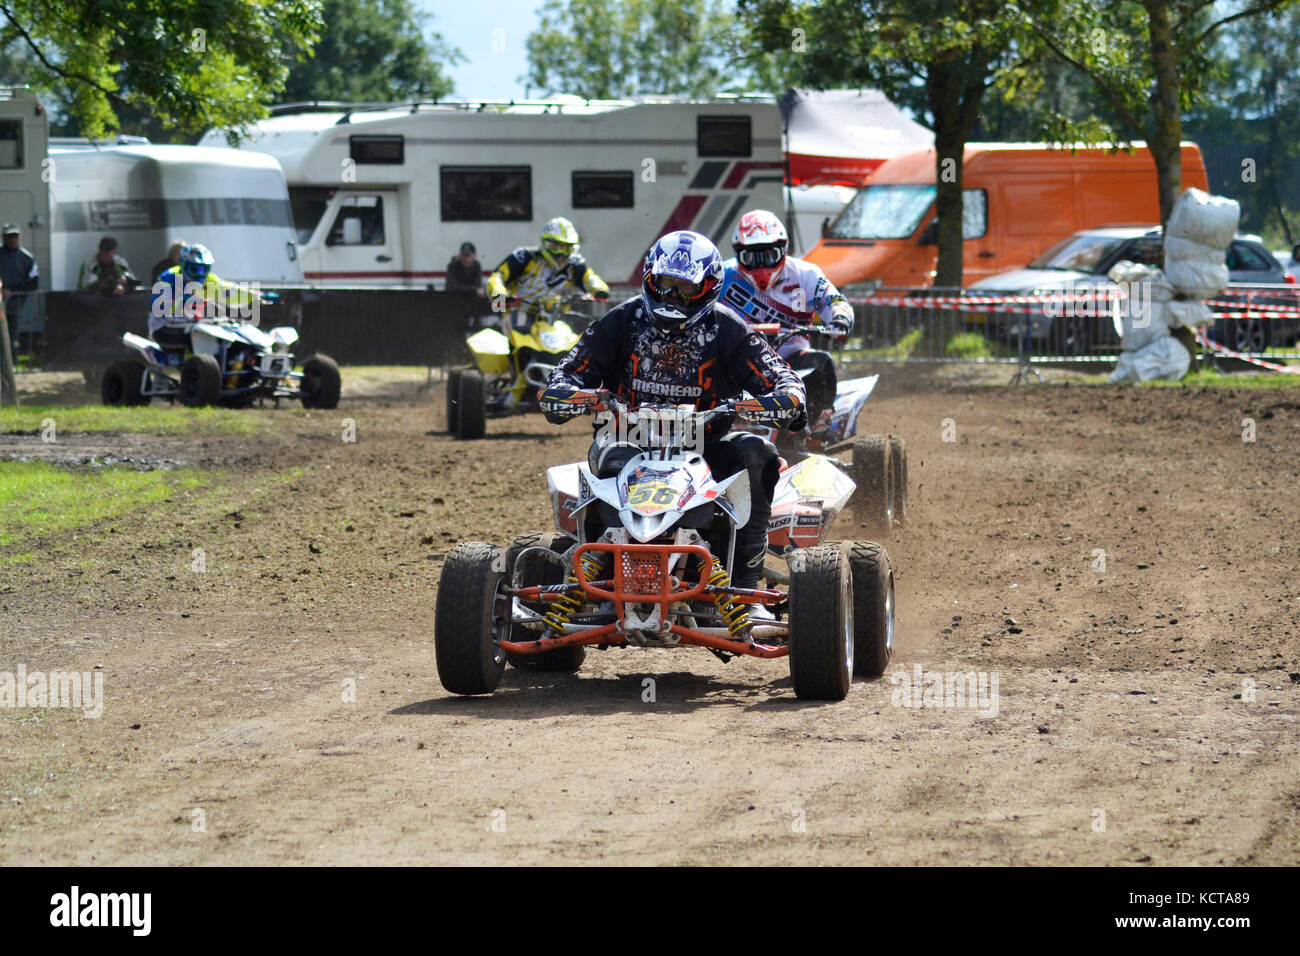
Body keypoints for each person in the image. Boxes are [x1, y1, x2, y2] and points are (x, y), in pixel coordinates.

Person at [540, 230, 806, 595]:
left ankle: (745, 587)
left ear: (709, 287)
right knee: (608, 462)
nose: (671, 297)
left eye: (684, 288)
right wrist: (571, 395)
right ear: (650, 278)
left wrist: (784, 400)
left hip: (707, 443)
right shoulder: (622, 321)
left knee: (758, 454)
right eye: (664, 284)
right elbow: (566, 373)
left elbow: (784, 381)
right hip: (627, 438)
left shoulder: (729, 329)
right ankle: (590, 578)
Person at [718, 209, 854, 424]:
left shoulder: (805, 273)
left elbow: (834, 300)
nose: (761, 266)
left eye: (770, 256)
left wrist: (839, 319)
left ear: (783, 250)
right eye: (752, 257)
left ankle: (819, 422)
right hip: (737, 358)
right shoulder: (722, 275)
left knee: (821, 362)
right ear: (738, 254)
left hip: (790, 355)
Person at [485, 216, 611, 401]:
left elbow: (590, 278)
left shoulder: (575, 264)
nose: (561, 253)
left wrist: (600, 290)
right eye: (556, 246)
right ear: (545, 242)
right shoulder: (525, 257)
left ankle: (574, 383)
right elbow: (498, 276)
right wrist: (499, 292)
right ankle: (518, 386)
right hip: (521, 310)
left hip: (556, 315)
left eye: (566, 247)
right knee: (522, 338)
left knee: (581, 342)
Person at [149, 243, 258, 350]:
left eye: (205, 269)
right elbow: (160, 308)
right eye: (195, 269)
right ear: (184, 265)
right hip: (165, 327)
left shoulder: (210, 279)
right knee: (200, 336)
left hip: (194, 324)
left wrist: (253, 295)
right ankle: (196, 366)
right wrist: (190, 303)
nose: (200, 274)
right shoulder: (168, 278)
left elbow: (229, 290)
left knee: (228, 335)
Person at [0, 224, 38, 350]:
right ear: (3, 237)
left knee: (12, 335)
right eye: (10, 237)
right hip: (1, 302)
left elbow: (33, 282)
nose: (13, 240)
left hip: (15, 304)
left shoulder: (27, 258)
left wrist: (13, 291)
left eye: (15, 236)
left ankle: (12, 365)